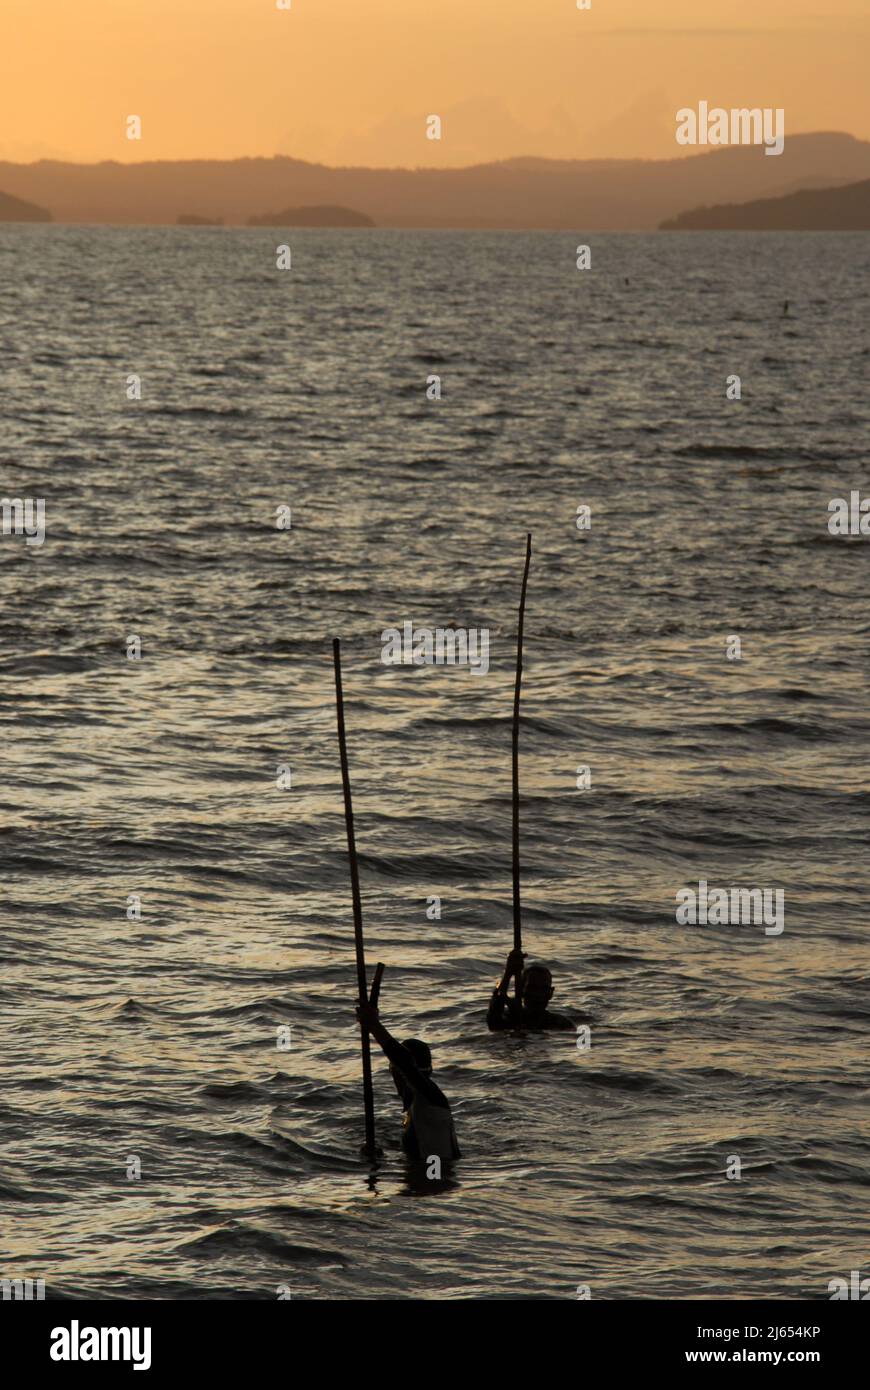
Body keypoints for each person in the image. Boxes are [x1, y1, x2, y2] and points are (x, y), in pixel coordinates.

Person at [356, 1001, 460, 1161]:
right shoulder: (421, 1104)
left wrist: (374, 1025)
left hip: (436, 1175)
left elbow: (405, 1063)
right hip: (432, 1174)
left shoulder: (428, 1098)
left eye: (393, 1068)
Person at [487, 949, 574, 1031]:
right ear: (521, 991)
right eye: (532, 988)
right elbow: (493, 1022)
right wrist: (508, 973)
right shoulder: (509, 1018)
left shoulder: (561, 1023)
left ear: (550, 993)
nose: (537, 995)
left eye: (543, 989)